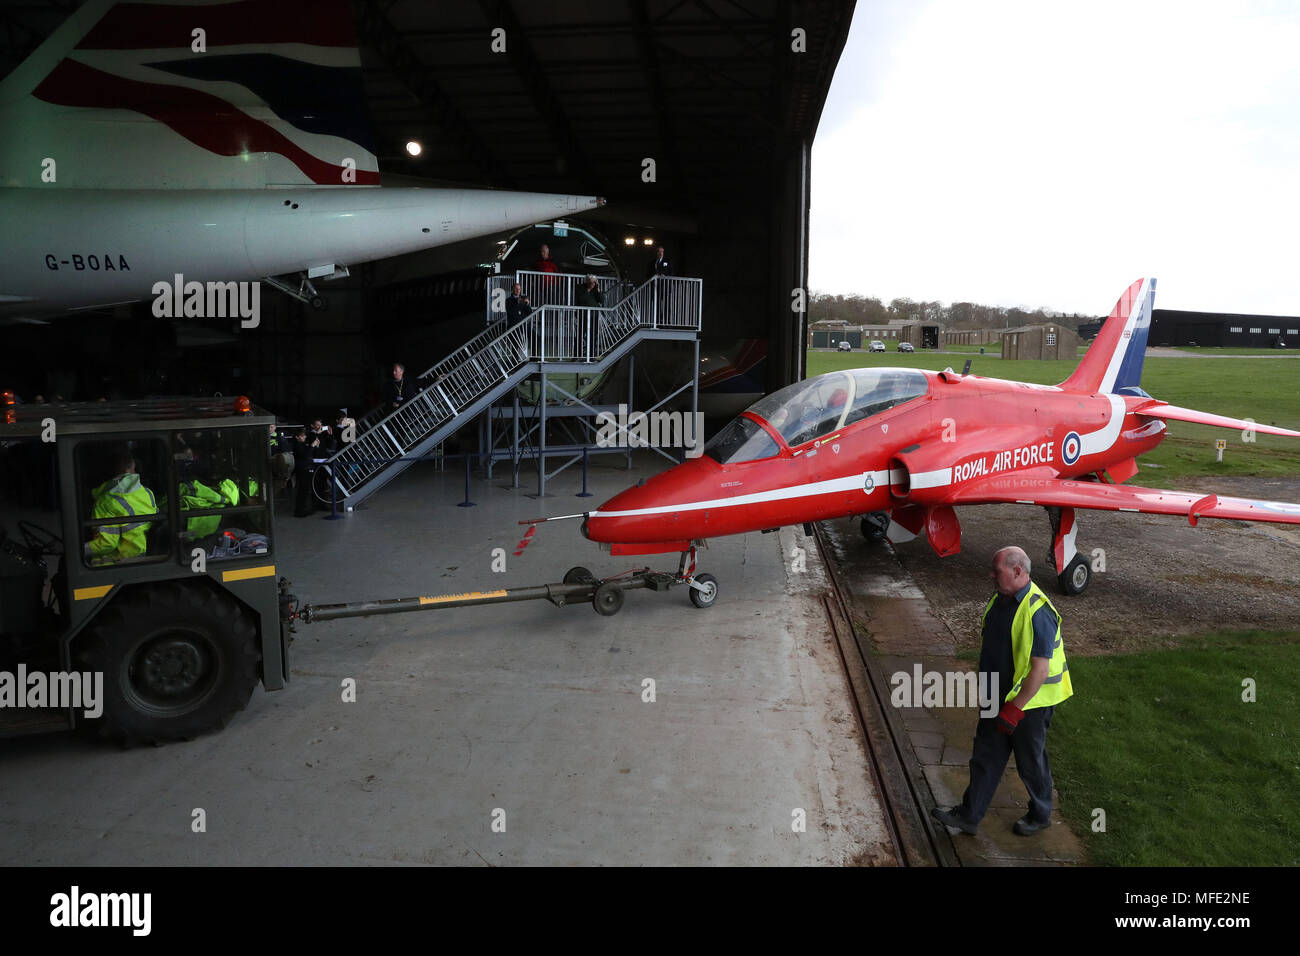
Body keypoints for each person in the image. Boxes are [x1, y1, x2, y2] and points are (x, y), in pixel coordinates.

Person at [931, 546, 1073, 837]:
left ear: (1018, 571)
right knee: (985, 756)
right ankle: (970, 815)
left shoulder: (1038, 611)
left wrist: (1015, 708)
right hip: (997, 695)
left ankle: (1041, 813)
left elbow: (1040, 670)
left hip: (1029, 704)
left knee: (1030, 761)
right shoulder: (1001, 599)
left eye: (997, 571)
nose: (991, 576)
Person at [87, 450, 158, 563]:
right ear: (131, 466)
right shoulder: (148, 492)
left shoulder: (105, 501)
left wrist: (78, 549)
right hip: (148, 553)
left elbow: (107, 544)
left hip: (123, 561)